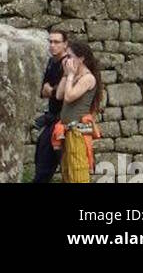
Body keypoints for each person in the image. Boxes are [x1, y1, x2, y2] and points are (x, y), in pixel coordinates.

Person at [54, 39, 104, 184]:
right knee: (68, 173)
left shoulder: (88, 78)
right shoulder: (73, 75)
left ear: (81, 58)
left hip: (78, 131)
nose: (67, 60)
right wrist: (65, 74)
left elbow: (69, 97)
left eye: (70, 56)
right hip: (67, 131)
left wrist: (70, 75)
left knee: (78, 172)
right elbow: (59, 95)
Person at [33, 26, 67, 183]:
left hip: (63, 120)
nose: (53, 45)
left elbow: (63, 93)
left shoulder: (67, 64)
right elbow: (42, 91)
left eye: (57, 42)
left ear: (65, 44)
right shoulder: (51, 62)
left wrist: (51, 90)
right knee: (41, 159)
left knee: (52, 164)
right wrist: (51, 90)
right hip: (52, 118)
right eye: (51, 42)